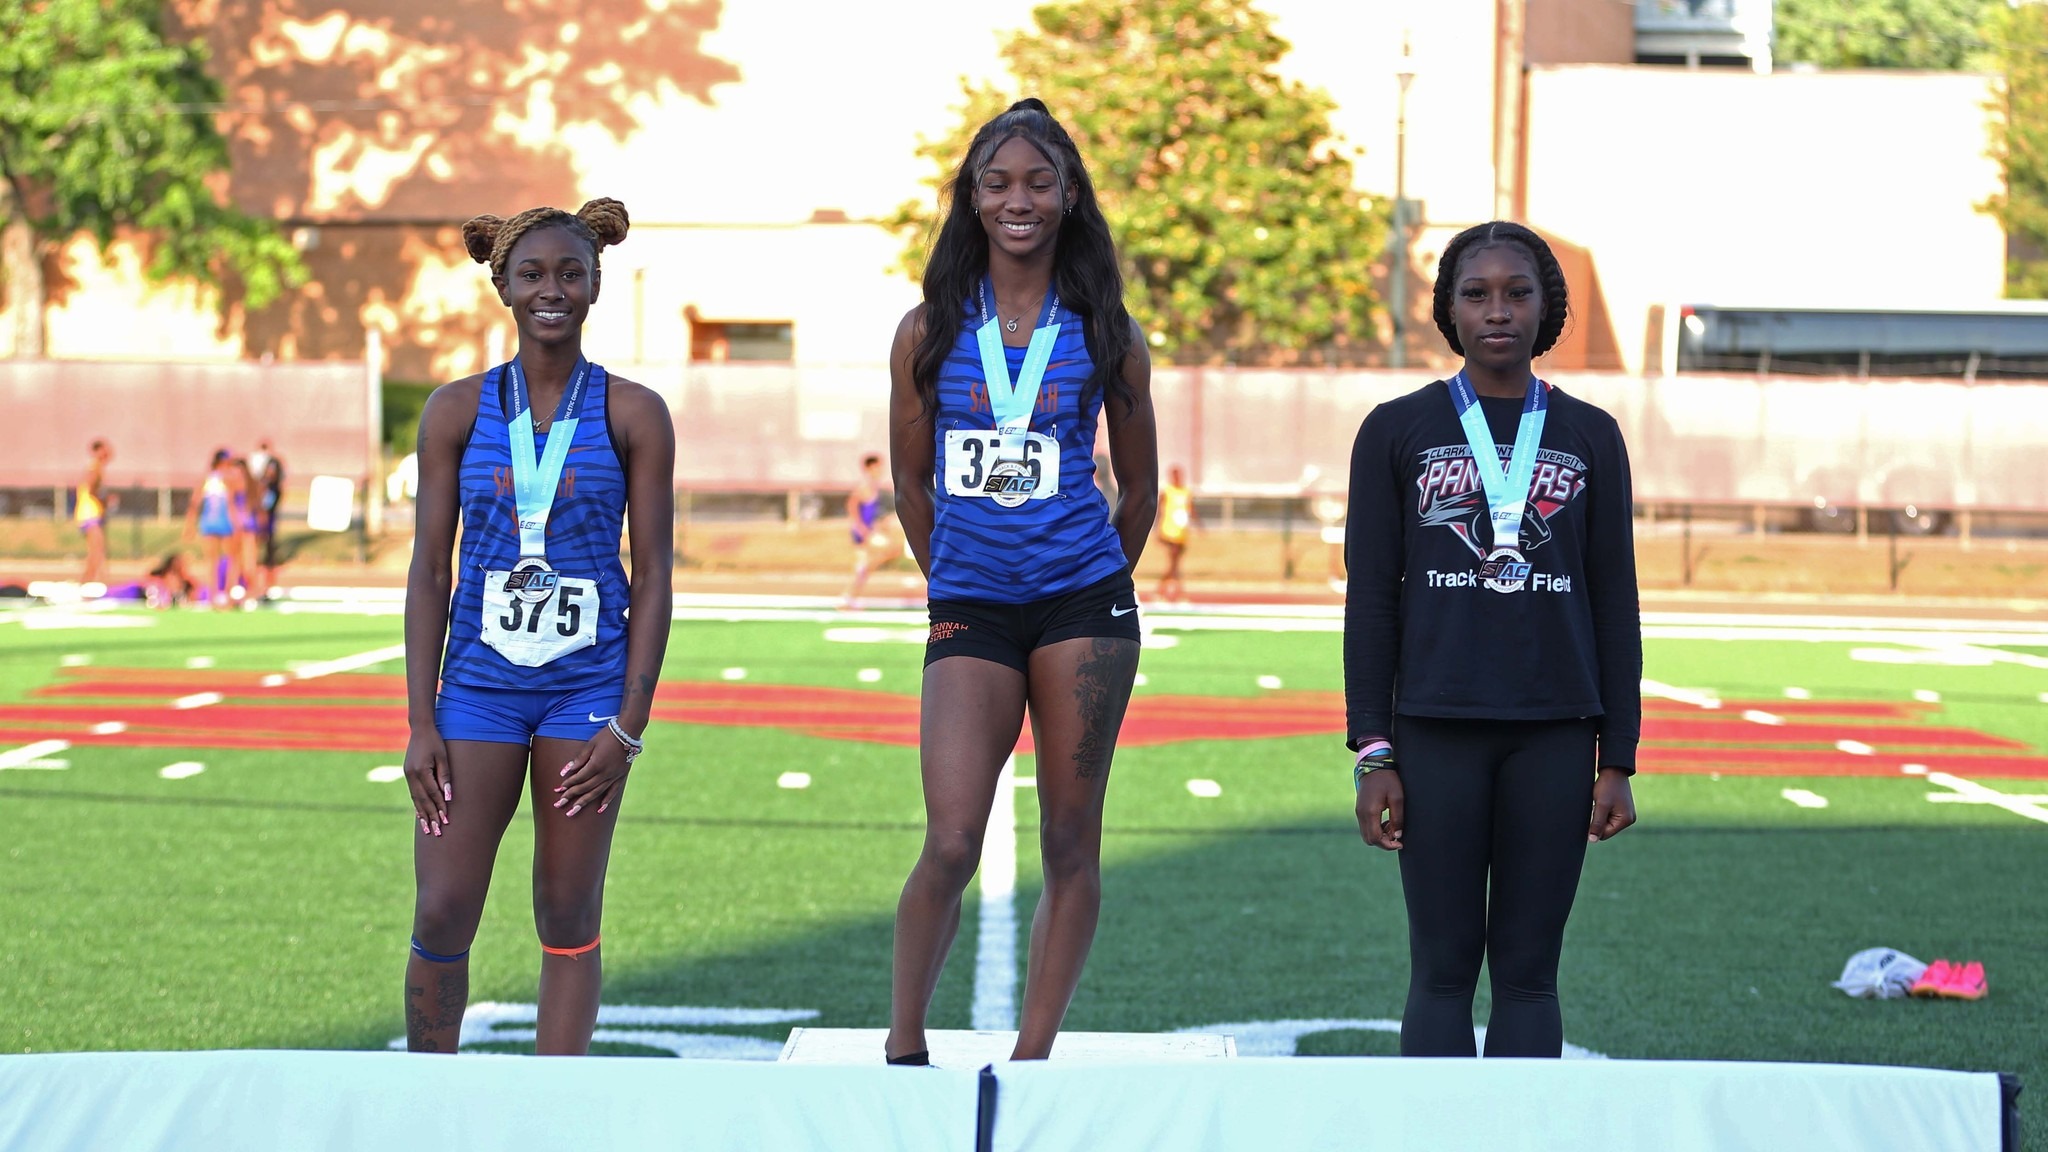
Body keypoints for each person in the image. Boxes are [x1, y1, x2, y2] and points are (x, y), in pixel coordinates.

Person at [884, 98, 1158, 1065]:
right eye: (997, 182)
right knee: (952, 839)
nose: (1019, 200)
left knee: (1070, 843)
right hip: (972, 607)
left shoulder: (1108, 330)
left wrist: (1090, 581)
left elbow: (1141, 489)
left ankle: (1033, 1058)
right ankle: (904, 1047)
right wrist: (958, 574)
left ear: (1070, 195)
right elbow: (910, 483)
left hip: (1084, 605)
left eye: (1040, 182)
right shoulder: (927, 329)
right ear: (972, 197)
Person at [1343, 221, 1640, 1058]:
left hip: (1555, 730)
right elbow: (1371, 600)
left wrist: (1618, 756)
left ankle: (1522, 1128)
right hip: (1433, 729)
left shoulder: (1591, 434)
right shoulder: (1395, 428)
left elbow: (1614, 601)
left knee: (1529, 974)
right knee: (1441, 972)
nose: (1498, 311)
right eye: (1476, 294)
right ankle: (1434, 1128)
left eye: (1518, 293)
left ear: (1548, 307)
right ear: (1449, 307)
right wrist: (1372, 750)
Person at [399, 197, 675, 1055]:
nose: (551, 289)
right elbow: (429, 570)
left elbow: (655, 575)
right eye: (532, 274)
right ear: (504, 288)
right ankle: (428, 1095)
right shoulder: (455, 410)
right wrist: (419, 721)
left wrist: (628, 725)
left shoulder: (634, 412)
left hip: (585, 693)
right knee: (444, 907)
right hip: (477, 691)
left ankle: (557, 1104)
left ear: (595, 285)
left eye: (569, 273)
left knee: (566, 908)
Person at [182, 449, 239, 608]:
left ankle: (221, 595)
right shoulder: (222, 479)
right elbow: (196, 503)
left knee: (221, 560)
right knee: (220, 560)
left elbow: (195, 503)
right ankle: (219, 595)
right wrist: (189, 525)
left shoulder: (209, 479)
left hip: (213, 522)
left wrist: (190, 524)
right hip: (219, 522)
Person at [843, 453, 895, 608]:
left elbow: (870, 512)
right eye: (877, 467)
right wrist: (861, 527)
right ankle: (848, 597)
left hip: (868, 530)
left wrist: (879, 524)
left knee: (865, 564)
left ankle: (850, 597)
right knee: (883, 554)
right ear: (870, 468)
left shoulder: (873, 486)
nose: (880, 470)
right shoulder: (865, 486)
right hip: (862, 532)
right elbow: (852, 505)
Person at [1154, 464, 1195, 603]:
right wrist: (1157, 529)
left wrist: (1199, 526)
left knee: (1174, 563)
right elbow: (1159, 511)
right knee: (1174, 562)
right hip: (1169, 530)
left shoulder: (1186, 491)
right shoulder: (1167, 491)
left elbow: (1191, 509)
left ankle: (1162, 591)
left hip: (1181, 531)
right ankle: (1177, 593)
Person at [75, 440, 113, 585]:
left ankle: (96, 581)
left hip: (91, 514)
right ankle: (87, 582)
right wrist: (104, 499)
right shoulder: (94, 467)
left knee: (98, 550)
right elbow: (91, 489)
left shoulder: (97, 467)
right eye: (105, 450)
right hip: (89, 514)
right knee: (96, 551)